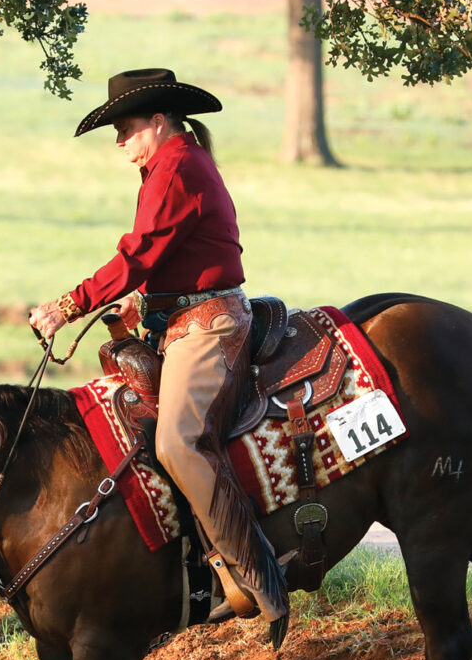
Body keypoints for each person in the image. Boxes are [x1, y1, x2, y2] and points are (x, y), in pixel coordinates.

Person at [28, 68, 289, 627]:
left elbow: (140, 251)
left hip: (209, 325)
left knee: (178, 441)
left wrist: (67, 306)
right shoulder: (169, 165)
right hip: (180, 318)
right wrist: (141, 302)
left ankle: (255, 575)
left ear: (158, 121)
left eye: (126, 128)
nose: (120, 141)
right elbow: (167, 253)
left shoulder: (176, 165)